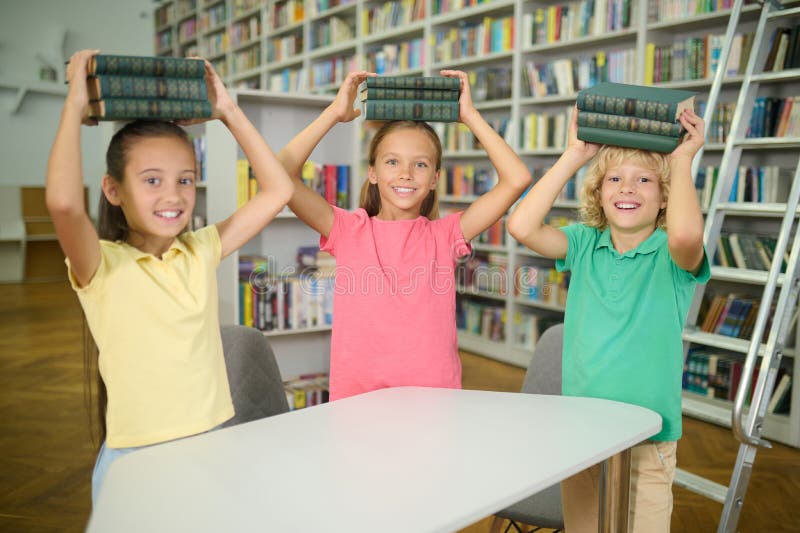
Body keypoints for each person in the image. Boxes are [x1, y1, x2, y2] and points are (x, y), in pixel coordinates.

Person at [46, 49, 294, 503]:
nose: (174, 195)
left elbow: (278, 190)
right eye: (152, 180)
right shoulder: (102, 265)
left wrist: (228, 111)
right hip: (139, 464)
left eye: (185, 179)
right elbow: (63, 205)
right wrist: (75, 106)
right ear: (113, 189)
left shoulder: (199, 249)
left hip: (215, 447)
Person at [507, 105, 710, 533]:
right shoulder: (582, 243)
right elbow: (522, 226)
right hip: (581, 430)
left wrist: (681, 160)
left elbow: (689, 235)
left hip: (647, 436)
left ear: (665, 198)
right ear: (599, 193)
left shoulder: (671, 252)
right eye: (615, 178)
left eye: (644, 179)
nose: (628, 187)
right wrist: (574, 157)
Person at [276, 69, 531, 401]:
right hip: (357, 400)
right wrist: (334, 114)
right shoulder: (348, 229)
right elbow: (280, 174)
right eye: (392, 161)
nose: (406, 174)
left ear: (436, 178)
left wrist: (469, 117)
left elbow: (517, 178)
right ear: (373, 172)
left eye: (421, 165)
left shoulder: (447, 234)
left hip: (433, 400)